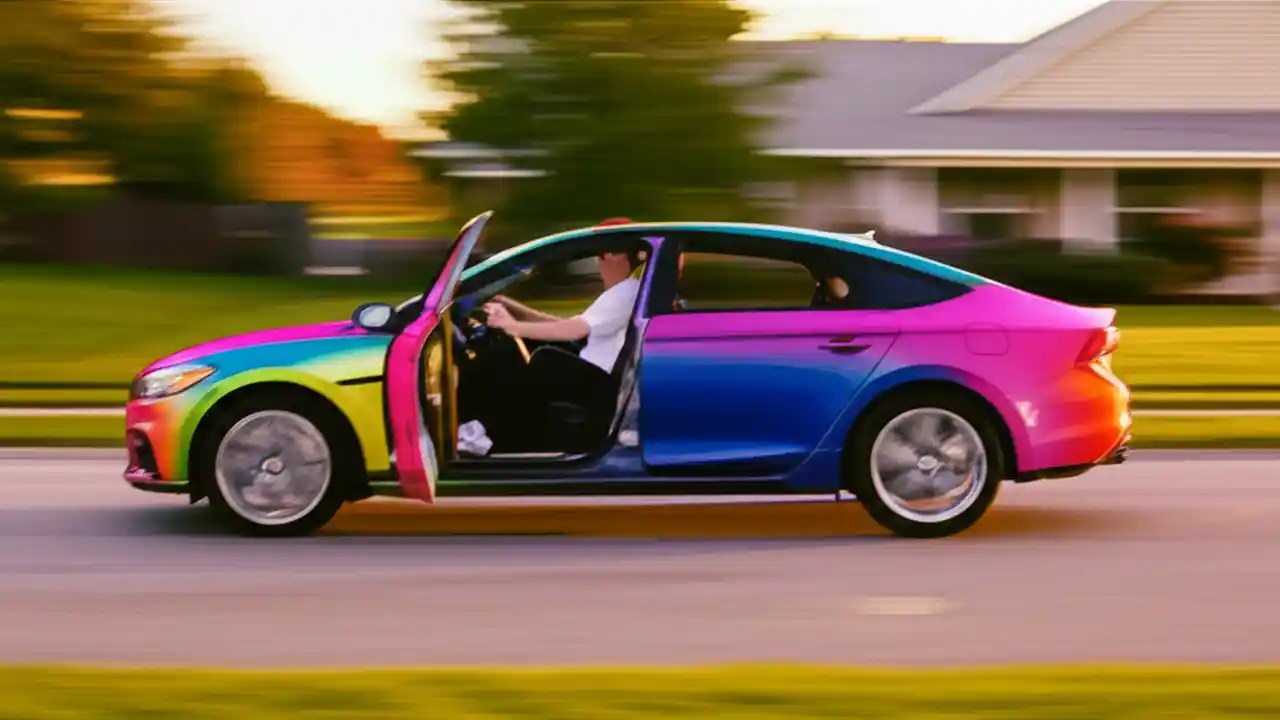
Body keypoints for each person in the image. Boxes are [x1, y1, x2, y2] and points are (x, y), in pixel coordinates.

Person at [462, 220, 645, 453]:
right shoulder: (622, 292)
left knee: (534, 361)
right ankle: (494, 435)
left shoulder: (626, 292)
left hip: (599, 385)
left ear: (614, 255)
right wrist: (511, 307)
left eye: (603, 252)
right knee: (529, 361)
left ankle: (484, 435)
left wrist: (512, 327)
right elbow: (564, 324)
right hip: (599, 377)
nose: (599, 259)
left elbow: (575, 330)